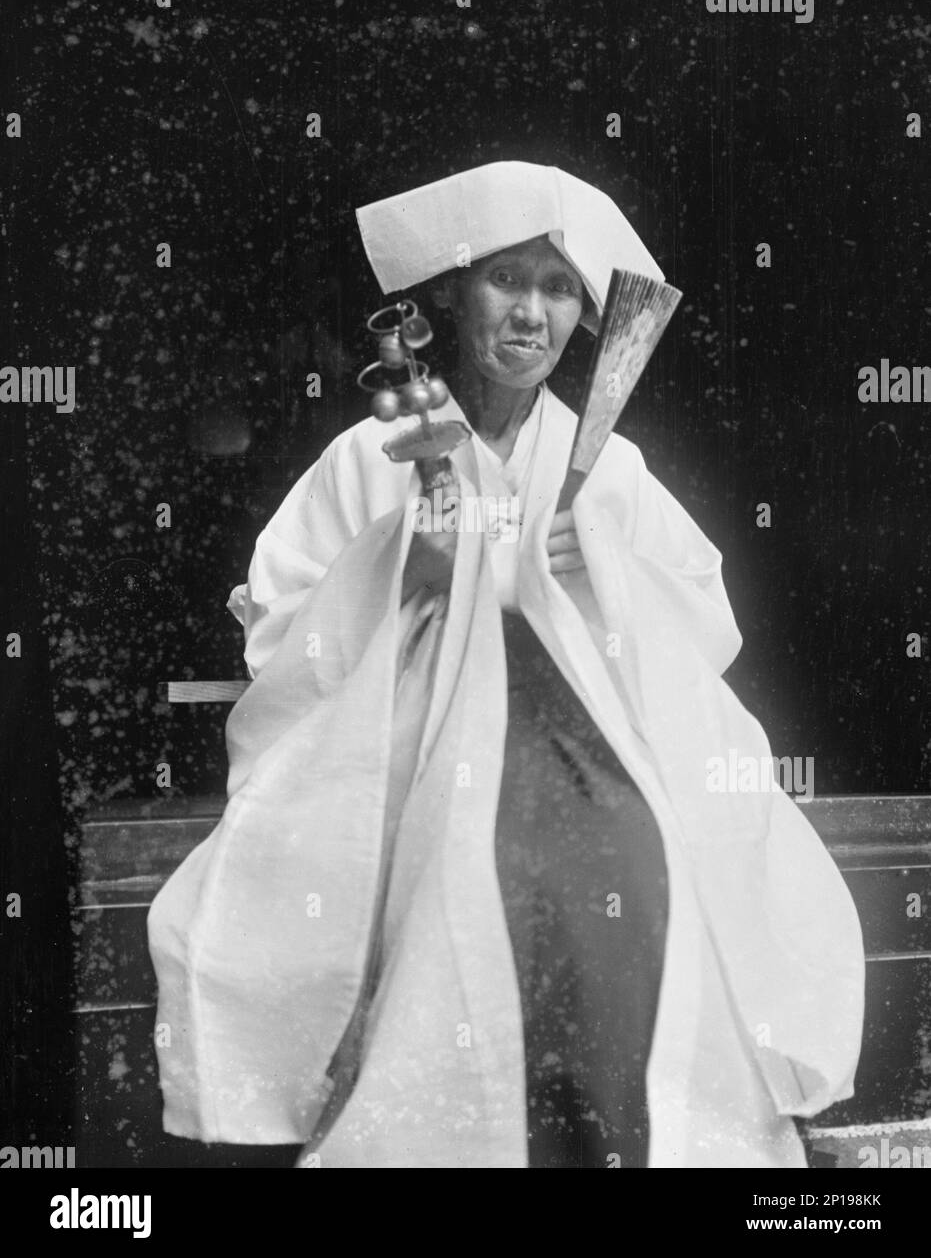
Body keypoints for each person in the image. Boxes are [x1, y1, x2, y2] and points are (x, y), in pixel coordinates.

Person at [147, 161, 864, 1168]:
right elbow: (283, 632)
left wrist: (605, 575)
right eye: (507, 282)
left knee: (635, 858)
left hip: (592, 737)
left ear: (581, 316)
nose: (532, 314)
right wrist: (405, 559)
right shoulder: (379, 449)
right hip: (407, 729)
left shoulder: (607, 466)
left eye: (559, 289)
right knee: (454, 850)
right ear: (452, 292)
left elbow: (704, 627)